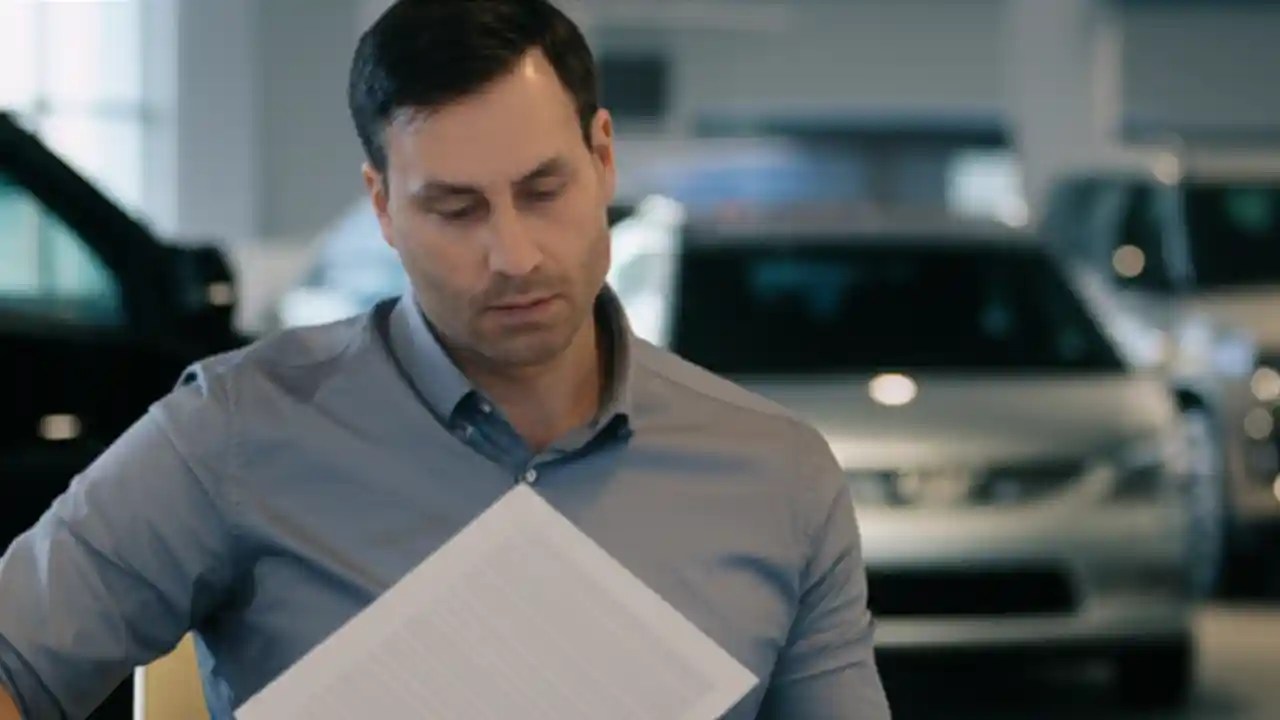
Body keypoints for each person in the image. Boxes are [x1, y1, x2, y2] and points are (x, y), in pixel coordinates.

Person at [0, 1, 890, 717]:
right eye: (456, 210)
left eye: (543, 192)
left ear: (604, 158)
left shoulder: (775, 476)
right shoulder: (235, 432)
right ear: (382, 207)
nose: (513, 254)